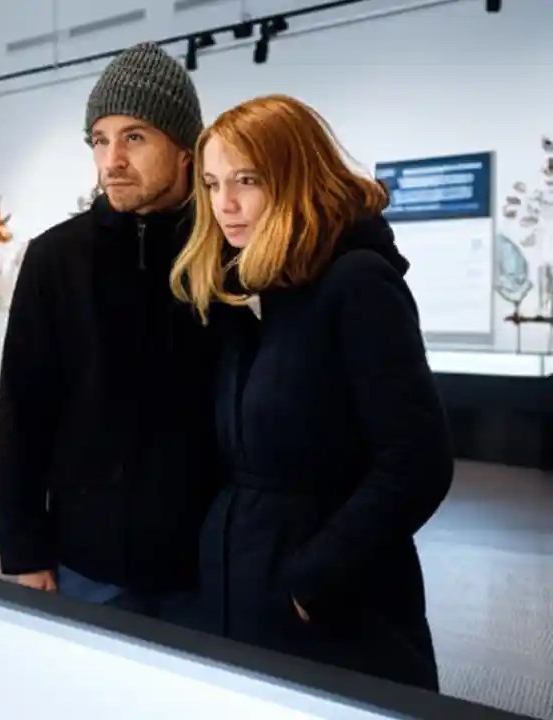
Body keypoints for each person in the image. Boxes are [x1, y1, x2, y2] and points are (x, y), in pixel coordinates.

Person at [168, 93, 453, 690]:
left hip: (334, 614)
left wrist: (312, 580)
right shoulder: (257, 291)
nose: (225, 204)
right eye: (214, 184)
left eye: (247, 180)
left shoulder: (356, 283)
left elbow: (417, 463)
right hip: (244, 597)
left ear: (293, 176)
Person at [0, 41, 222, 625]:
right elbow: (23, 414)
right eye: (100, 139)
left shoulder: (225, 256)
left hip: (207, 565)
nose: (112, 159)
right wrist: (26, 551)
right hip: (87, 566)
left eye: (135, 137)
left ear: (185, 150)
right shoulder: (54, 260)